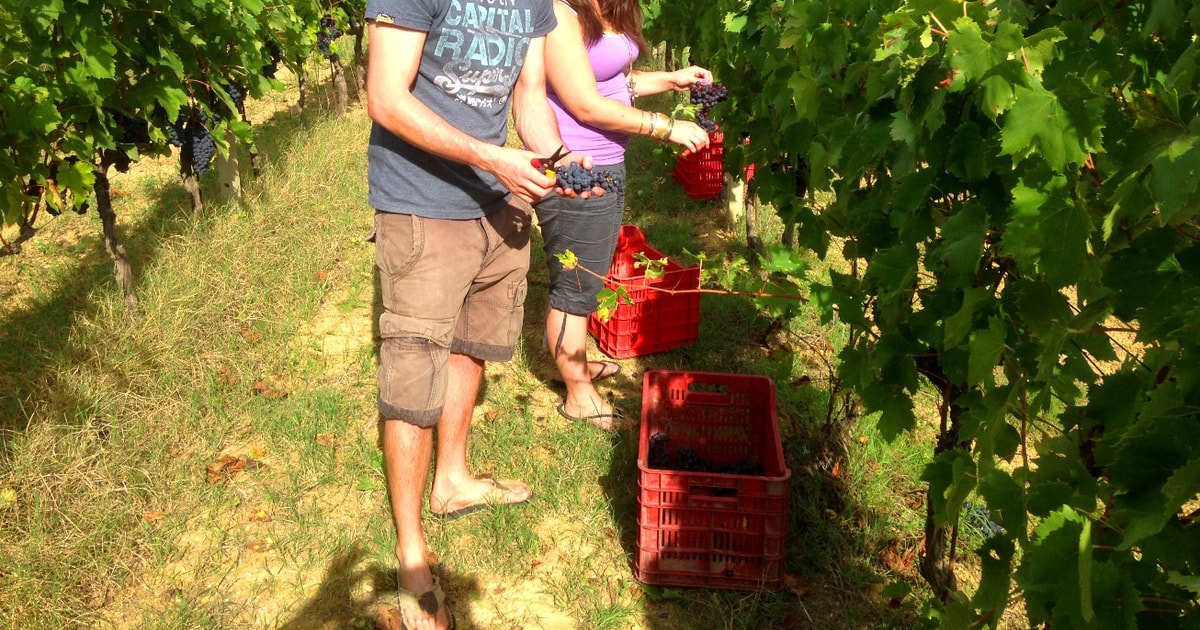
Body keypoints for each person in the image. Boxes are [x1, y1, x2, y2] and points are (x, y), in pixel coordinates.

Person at [363, 1, 603, 628]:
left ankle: (453, 479)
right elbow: (385, 97)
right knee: (414, 373)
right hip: (421, 203)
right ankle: (411, 556)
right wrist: (492, 158)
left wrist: (557, 156)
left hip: (498, 204)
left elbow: (527, 96)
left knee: (473, 343)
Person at [535, 0, 713, 430]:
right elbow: (585, 104)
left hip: (607, 164)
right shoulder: (561, 13)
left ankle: (572, 364)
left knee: (586, 276)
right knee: (576, 290)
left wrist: (670, 80)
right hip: (578, 170)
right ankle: (578, 395)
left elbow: (612, 80)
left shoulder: (606, 9)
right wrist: (665, 127)